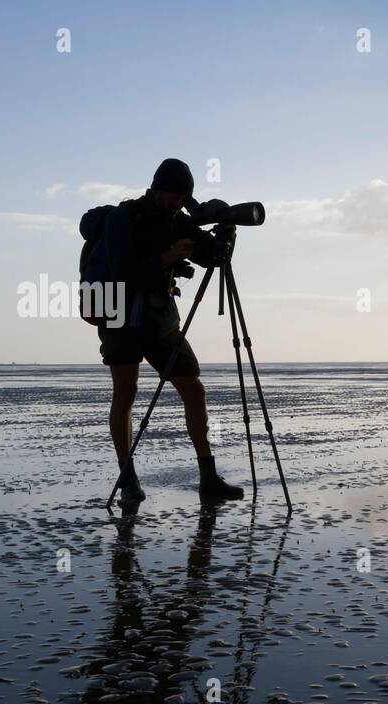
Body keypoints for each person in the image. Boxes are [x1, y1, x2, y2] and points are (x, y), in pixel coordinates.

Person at [98, 158, 244, 503]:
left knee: (194, 389)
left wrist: (223, 235)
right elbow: (121, 272)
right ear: (158, 188)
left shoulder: (179, 220)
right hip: (119, 315)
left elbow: (211, 258)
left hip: (161, 317)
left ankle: (208, 477)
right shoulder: (123, 219)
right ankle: (128, 479)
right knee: (126, 392)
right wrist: (168, 256)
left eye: (184, 198)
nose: (179, 203)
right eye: (175, 196)